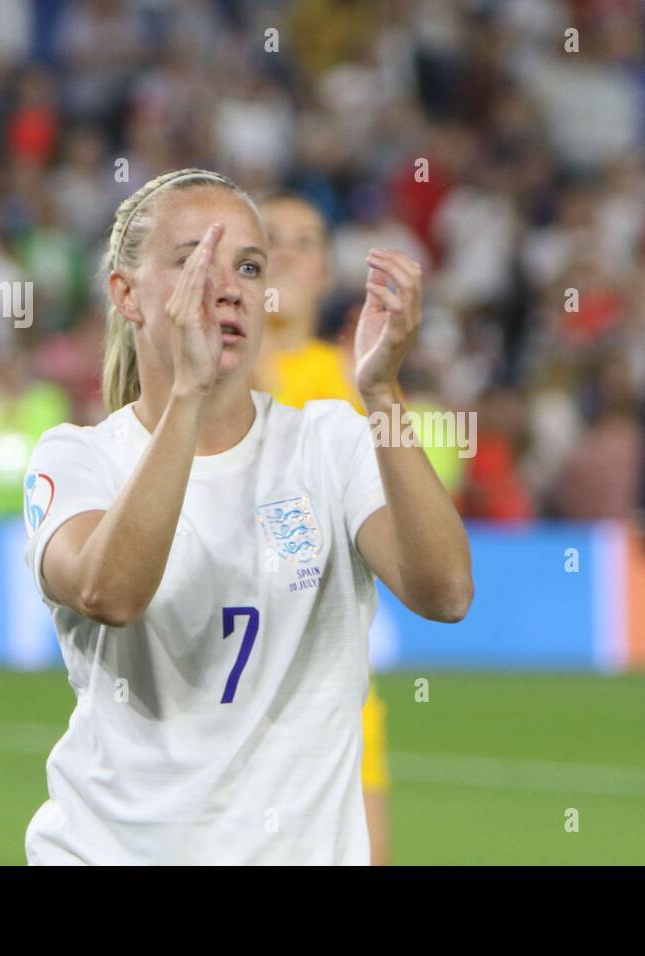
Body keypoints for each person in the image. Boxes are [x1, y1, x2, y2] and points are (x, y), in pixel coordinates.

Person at [22, 168, 472, 865]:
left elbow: (445, 592)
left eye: (249, 265)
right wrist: (189, 399)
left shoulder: (329, 441)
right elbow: (110, 592)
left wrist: (381, 392)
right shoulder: (75, 460)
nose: (228, 284)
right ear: (127, 295)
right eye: (194, 259)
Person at [255, 190, 391, 865]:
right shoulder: (204, 378)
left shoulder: (355, 380)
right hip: (227, 669)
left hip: (331, 668)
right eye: (268, 237)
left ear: (324, 271)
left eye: (303, 240)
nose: (283, 250)